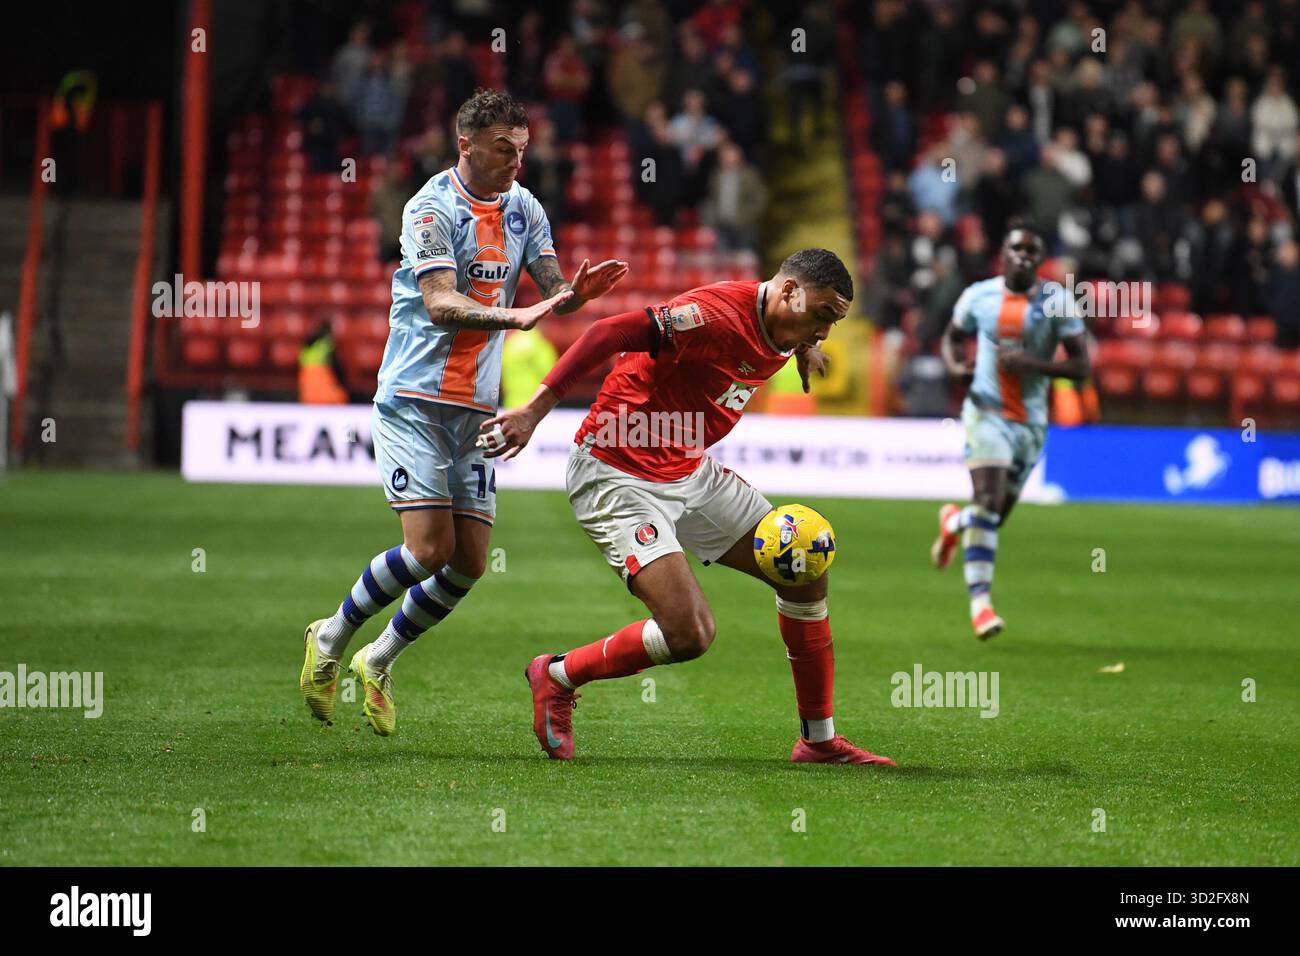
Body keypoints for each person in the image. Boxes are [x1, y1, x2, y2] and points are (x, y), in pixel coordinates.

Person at [481, 249, 896, 767]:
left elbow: (783, 336)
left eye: (832, 324)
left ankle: (817, 741)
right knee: (689, 633)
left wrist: (804, 348)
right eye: (821, 317)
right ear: (789, 291)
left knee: (804, 571)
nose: (823, 332)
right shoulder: (714, 317)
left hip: (688, 469)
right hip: (617, 471)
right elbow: (608, 332)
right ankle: (558, 675)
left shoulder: (785, 323)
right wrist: (536, 410)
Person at [298, 89, 628, 735]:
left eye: (522, 150)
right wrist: (519, 314)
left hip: (475, 408)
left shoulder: (524, 207)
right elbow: (442, 303)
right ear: (467, 145)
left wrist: (572, 295)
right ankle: (331, 635)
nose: (516, 163)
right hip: (415, 400)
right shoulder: (429, 207)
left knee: (470, 561)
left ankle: (379, 657)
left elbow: (550, 287)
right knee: (428, 549)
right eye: (504, 150)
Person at [933, 223, 1090, 639]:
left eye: (1032, 251)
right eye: (1016, 248)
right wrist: (955, 367)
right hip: (986, 411)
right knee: (987, 499)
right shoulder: (978, 296)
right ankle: (981, 606)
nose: (1023, 255)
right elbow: (950, 339)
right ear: (1002, 253)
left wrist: (1033, 366)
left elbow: (1081, 367)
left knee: (993, 516)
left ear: (1039, 260)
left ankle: (954, 524)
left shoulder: (1058, 302)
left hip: (1031, 423)